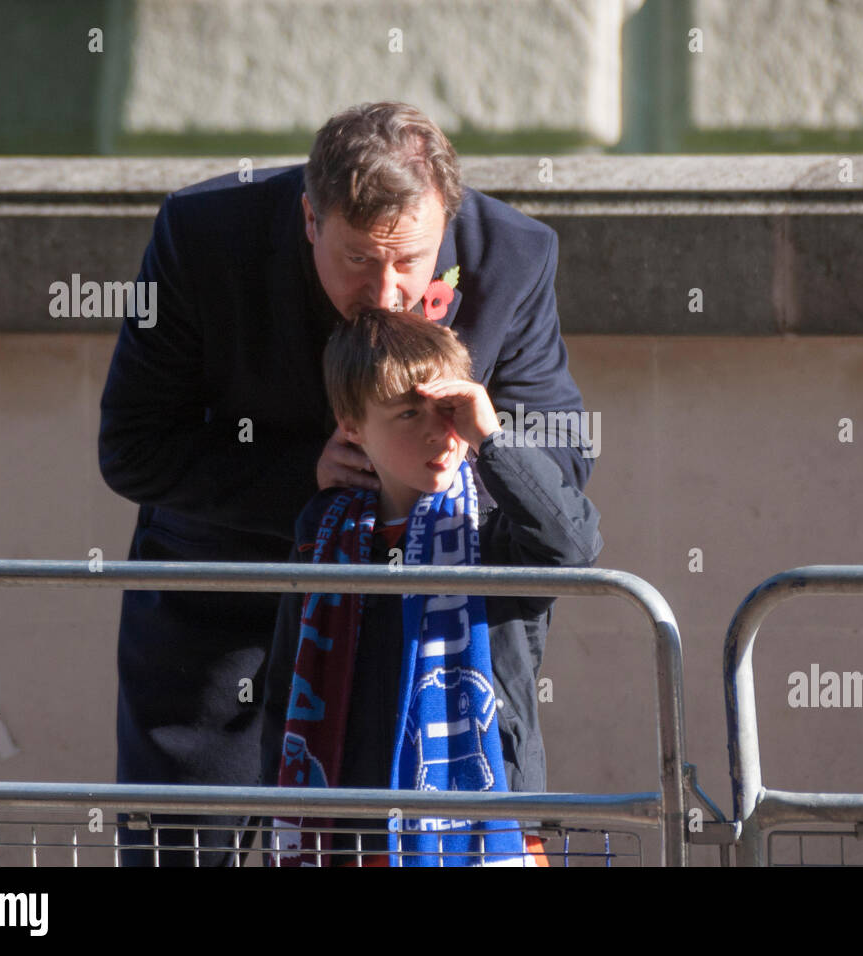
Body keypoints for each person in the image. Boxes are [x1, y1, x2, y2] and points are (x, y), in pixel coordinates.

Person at [98, 102, 595, 866]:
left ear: (448, 219)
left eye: (410, 260)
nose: (387, 292)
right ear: (309, 218)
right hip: (217, 621)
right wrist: (305, 476)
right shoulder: (202, 236)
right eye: (359, 259)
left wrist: (462, 451)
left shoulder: (514, 256)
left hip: (417, 643)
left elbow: (563, 459)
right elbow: (132, 446)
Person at [261, 308, 602, 866]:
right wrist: (279, 810)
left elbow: (575, 546)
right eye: (408, 413)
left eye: (450, 409)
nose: (437, 431)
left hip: (493, 828)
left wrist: (491, 437)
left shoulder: (494, 529)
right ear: (351, 425)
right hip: (355, 830)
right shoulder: (324, 534)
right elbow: (287, 684)